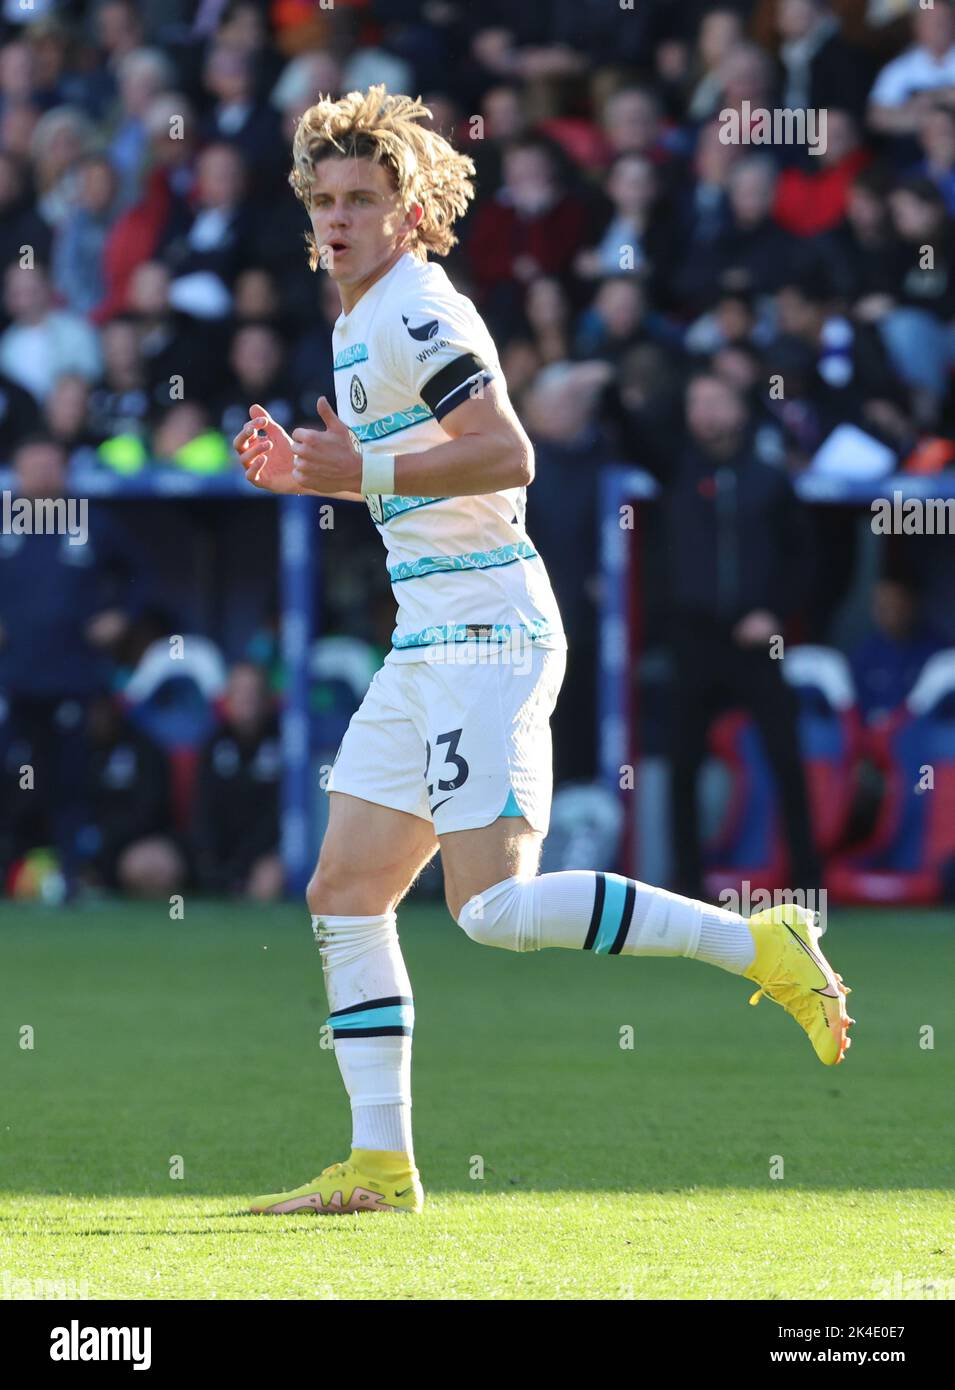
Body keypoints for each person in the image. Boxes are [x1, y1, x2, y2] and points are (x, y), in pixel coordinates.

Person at [234, 85, 853, 1219]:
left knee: (494, 912)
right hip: (427, 633)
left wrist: (353, 473)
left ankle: (756, 941)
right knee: (345, 888)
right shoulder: (356, 317)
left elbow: (508, 452)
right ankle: (378, 1167)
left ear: (410, 210)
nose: (336, 220)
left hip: (486, 633)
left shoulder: (417, 312)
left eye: (361, 200)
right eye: (322, 200)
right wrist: (304, 472)